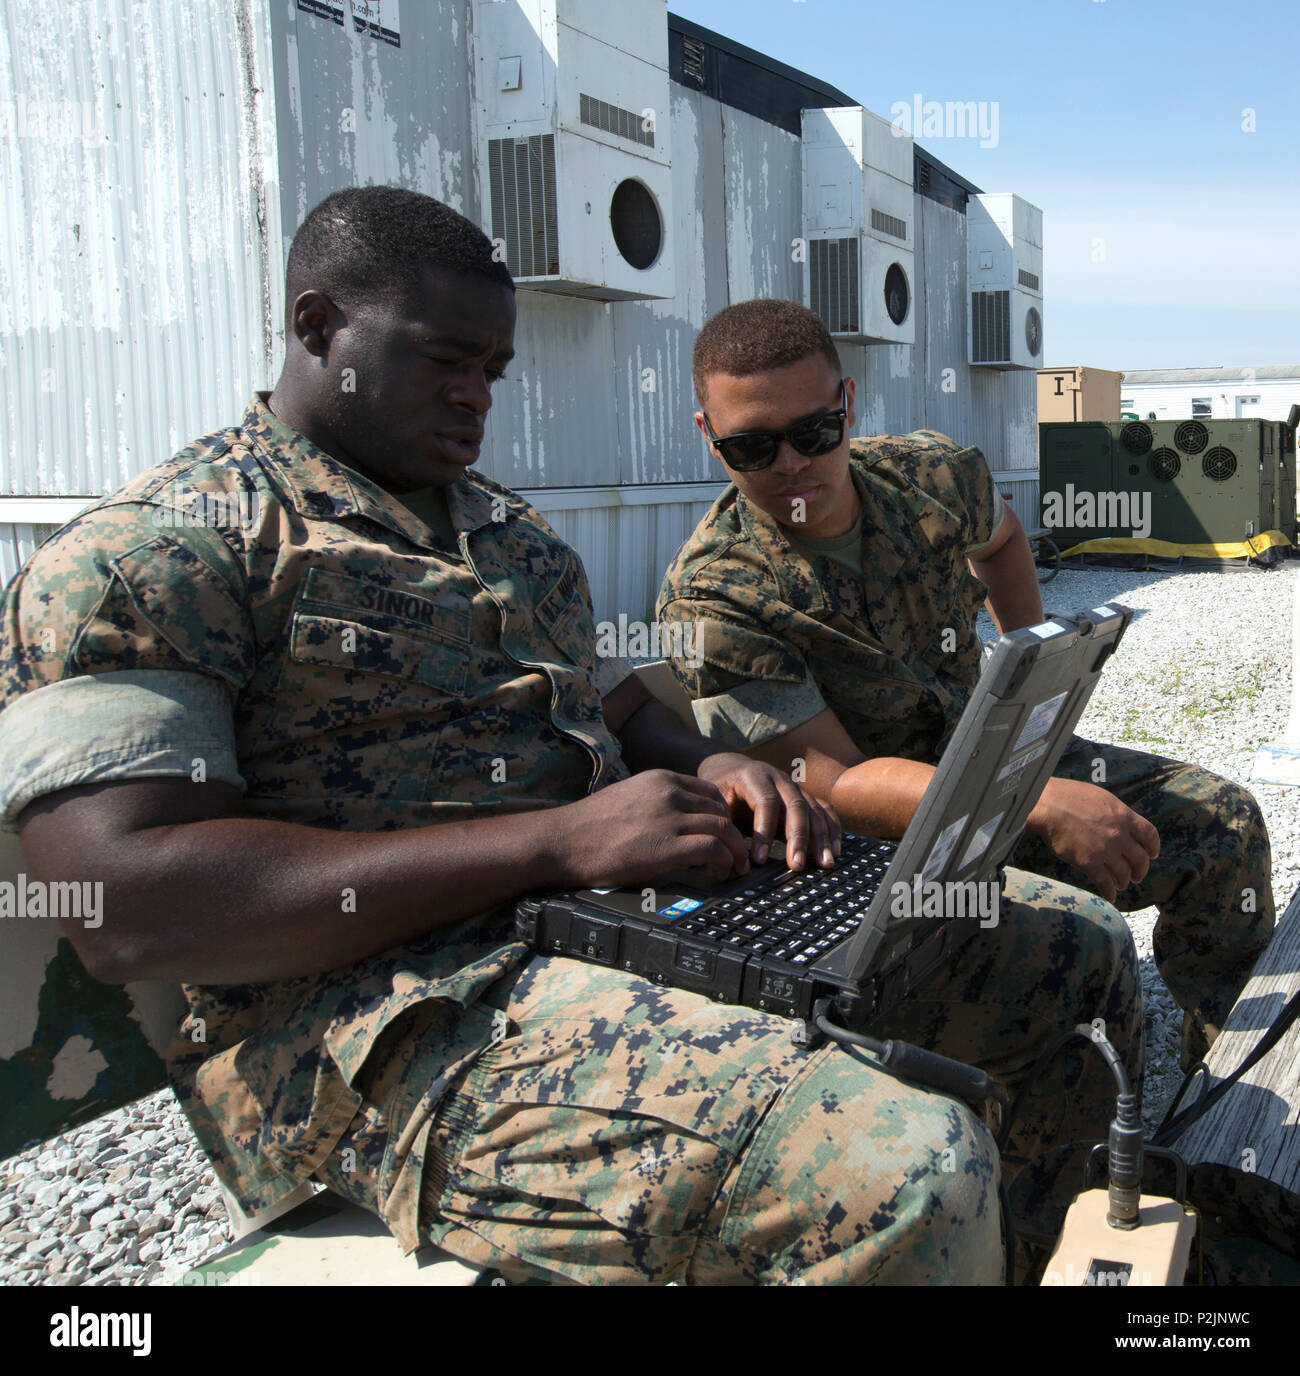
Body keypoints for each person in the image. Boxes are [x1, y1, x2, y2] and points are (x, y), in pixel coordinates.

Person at [0, 190, 1135, 1285]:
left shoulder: (506, 533)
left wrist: (713, 763)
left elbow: (611, 703)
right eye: (445, 358)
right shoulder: (164, 552)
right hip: (373, 1024)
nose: (475, 396)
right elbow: (121, 901)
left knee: (1067, 947)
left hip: (605, 927)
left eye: (492, 370)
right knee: (905, 1173)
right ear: (317, 326)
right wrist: (559, 844)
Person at [656, 297, 1273, 1069]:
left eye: (814, 432)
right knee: (1074, 948)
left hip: (984, 764)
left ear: (848, 404)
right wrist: (1039, 801)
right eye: (753, 446)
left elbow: (1005, 540)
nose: (790, 464)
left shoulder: (928, 476)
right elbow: (833, 780)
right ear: (708, 437)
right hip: (878, 841)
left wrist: (1031, 688)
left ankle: (1218, 1088)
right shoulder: (718, 596)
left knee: (1223, 825)